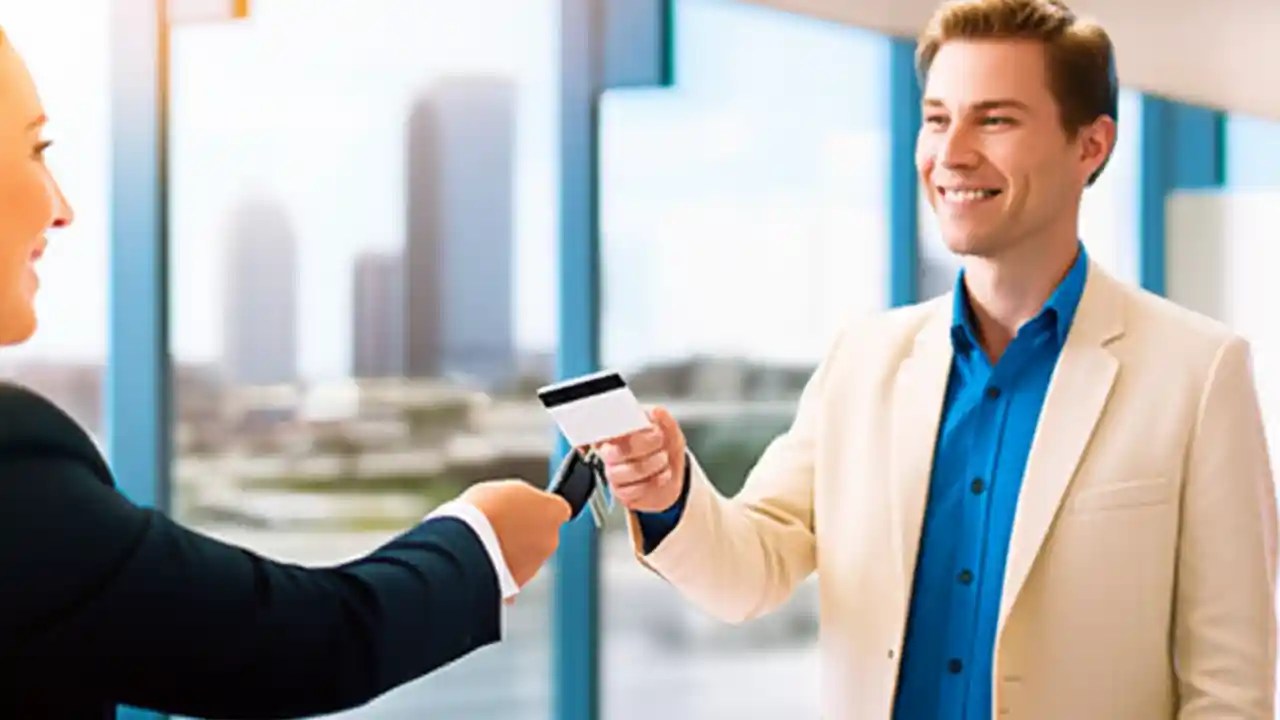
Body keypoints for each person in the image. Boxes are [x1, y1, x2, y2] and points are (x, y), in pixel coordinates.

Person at [599, 1, 1278, 718]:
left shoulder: (1197, 373)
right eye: (936, 118)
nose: (951, 153)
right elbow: (751, 569)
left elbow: (1227, 693)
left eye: (995, 120)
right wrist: (668, 494)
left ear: (1090, 145)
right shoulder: (862, 362)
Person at [0, 25, 572, 719]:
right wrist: (480, 545)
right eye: (36, 149)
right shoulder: (12, 454)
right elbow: (302, 644)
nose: (62, 209)